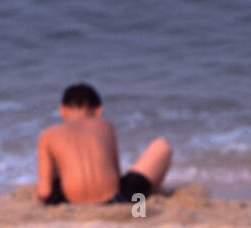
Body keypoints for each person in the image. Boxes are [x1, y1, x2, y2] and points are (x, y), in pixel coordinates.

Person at [36, 83, 172, 206]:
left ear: (62, 109)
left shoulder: (47, 135)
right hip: (116, 200)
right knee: (162, 146)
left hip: (68, 202)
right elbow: (115, 172)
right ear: (98, 110)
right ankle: (142, 199)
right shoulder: (105, 126)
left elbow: (44, 191)